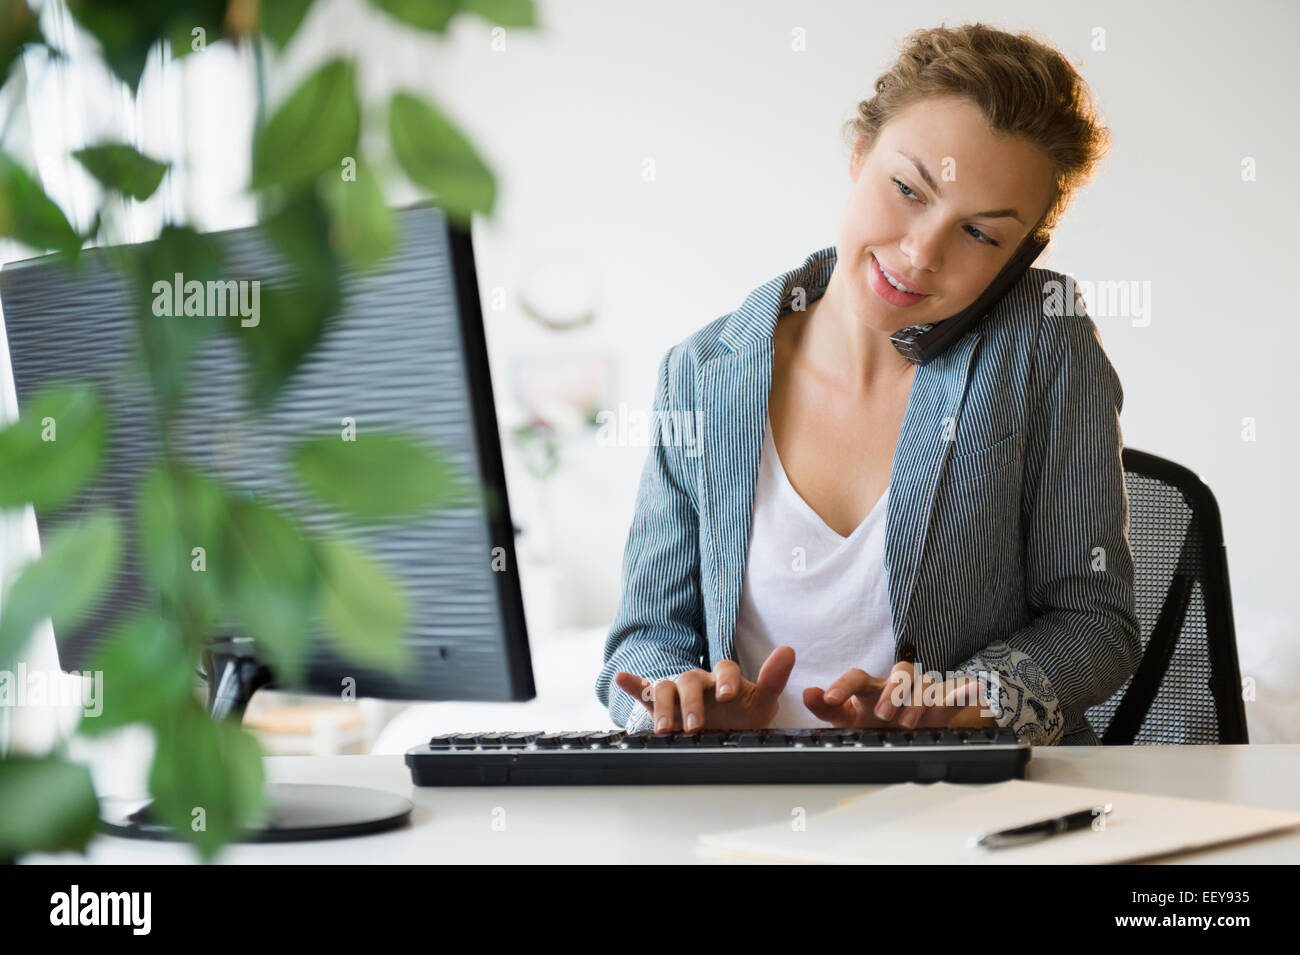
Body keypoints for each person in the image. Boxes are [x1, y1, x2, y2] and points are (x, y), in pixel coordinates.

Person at [596, 22, 1140, 745]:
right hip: (746, 810)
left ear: (1021, 255)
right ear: (860, 152)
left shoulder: (1045, 341)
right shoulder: (699, 374)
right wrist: (675, 704)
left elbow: (1094, 624)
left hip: (962, 812)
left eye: (981, 234)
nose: (920, 254)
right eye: (909, 189)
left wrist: (965, 700)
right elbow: (645, 639)